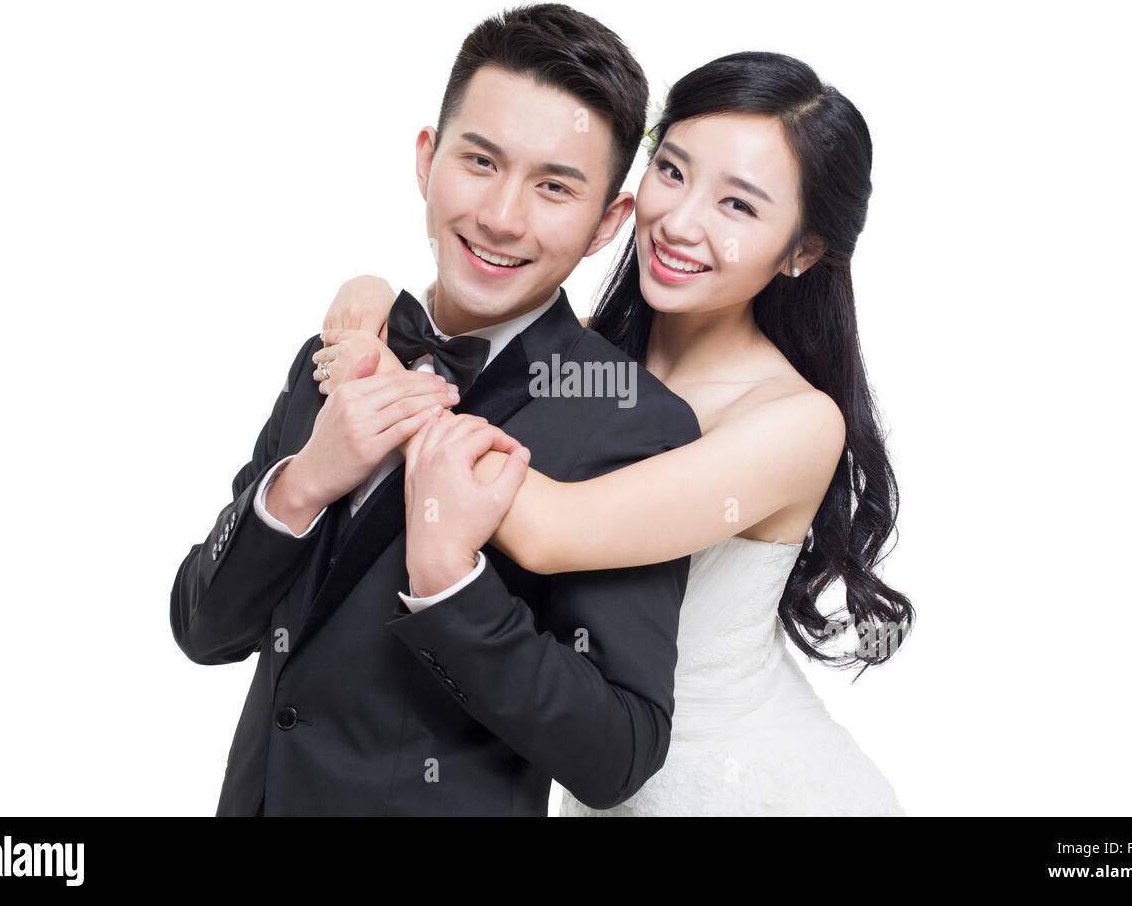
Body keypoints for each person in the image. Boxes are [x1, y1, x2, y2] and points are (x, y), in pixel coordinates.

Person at [318, 50, 914, 815]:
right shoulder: (587, 357)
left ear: (802, 251)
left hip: (742, 788)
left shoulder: (795, 422)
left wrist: (385, 379)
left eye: (738, 206)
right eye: (672, 171)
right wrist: (374, 299)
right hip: (591, 773)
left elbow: (550, 531)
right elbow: (461, 345)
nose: (680, 221)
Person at [169, 3, 703, 816]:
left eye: (554, 187)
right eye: (480, 162)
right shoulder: (340, 348)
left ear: (607, 224)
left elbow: (617, 753)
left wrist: (452, 582)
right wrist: (302, 485)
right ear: (427, 158)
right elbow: (202, 629)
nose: (500, 217)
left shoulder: (631, 420)